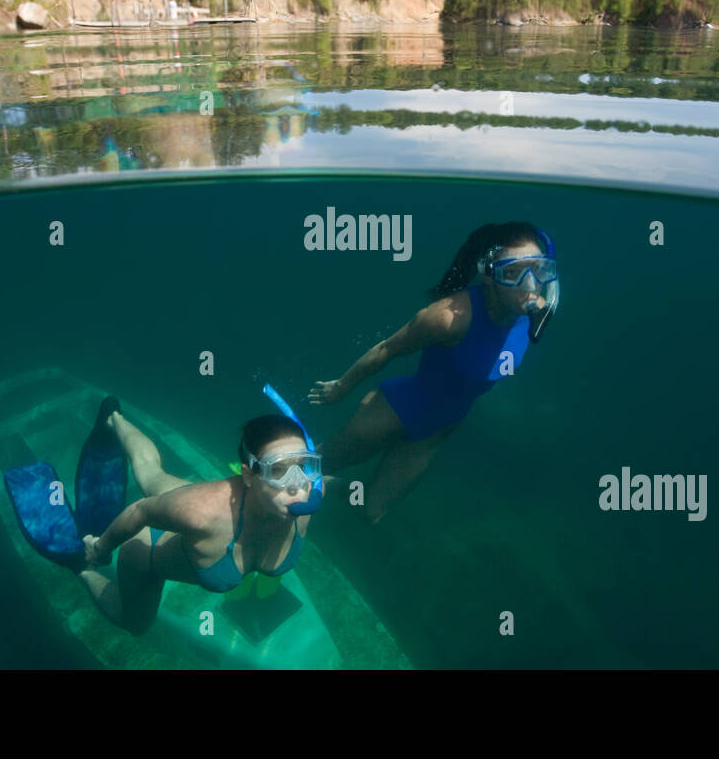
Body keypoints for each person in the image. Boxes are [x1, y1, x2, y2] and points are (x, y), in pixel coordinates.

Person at [310, 221, 559, 523]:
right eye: (513, 272)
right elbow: (388, 348)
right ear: (490, 276)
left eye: (539, 269)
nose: (530, 285)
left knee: (370, 512)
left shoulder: (538, 310)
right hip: (400, 406)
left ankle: (335, 488)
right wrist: (342, 386)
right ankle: (267, 475)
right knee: (318, 464)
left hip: (439, 429)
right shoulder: (448, 318)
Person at [79, 402, 320, 635]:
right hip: (148, 549)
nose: (296, 484)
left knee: (152, 473)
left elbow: (324, 481)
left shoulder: (311, 491)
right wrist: (99, 549)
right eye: (277, 470)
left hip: (208, 507)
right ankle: (82, 570)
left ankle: (113, 417)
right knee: (135, 624)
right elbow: (139, 511)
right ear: (247, 475)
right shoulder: (199, 511)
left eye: (303, 465)